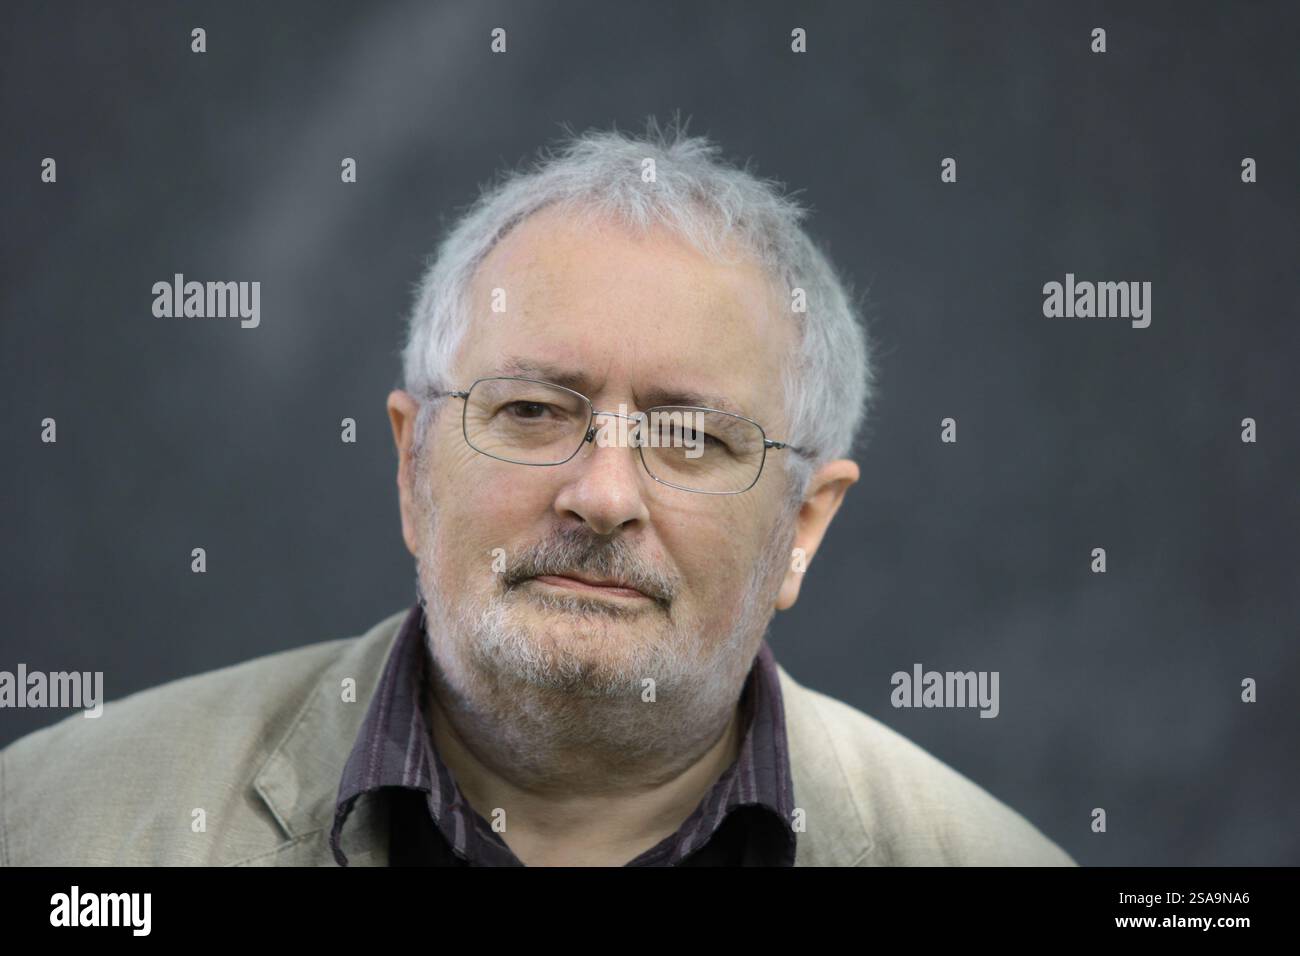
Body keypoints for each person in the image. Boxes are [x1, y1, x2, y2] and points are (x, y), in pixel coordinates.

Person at [0, 118, 1075, 866]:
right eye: (530, 412)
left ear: (801, 526)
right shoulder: (55, 824)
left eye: (688, 437)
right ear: (413, 465)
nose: (601, 494)